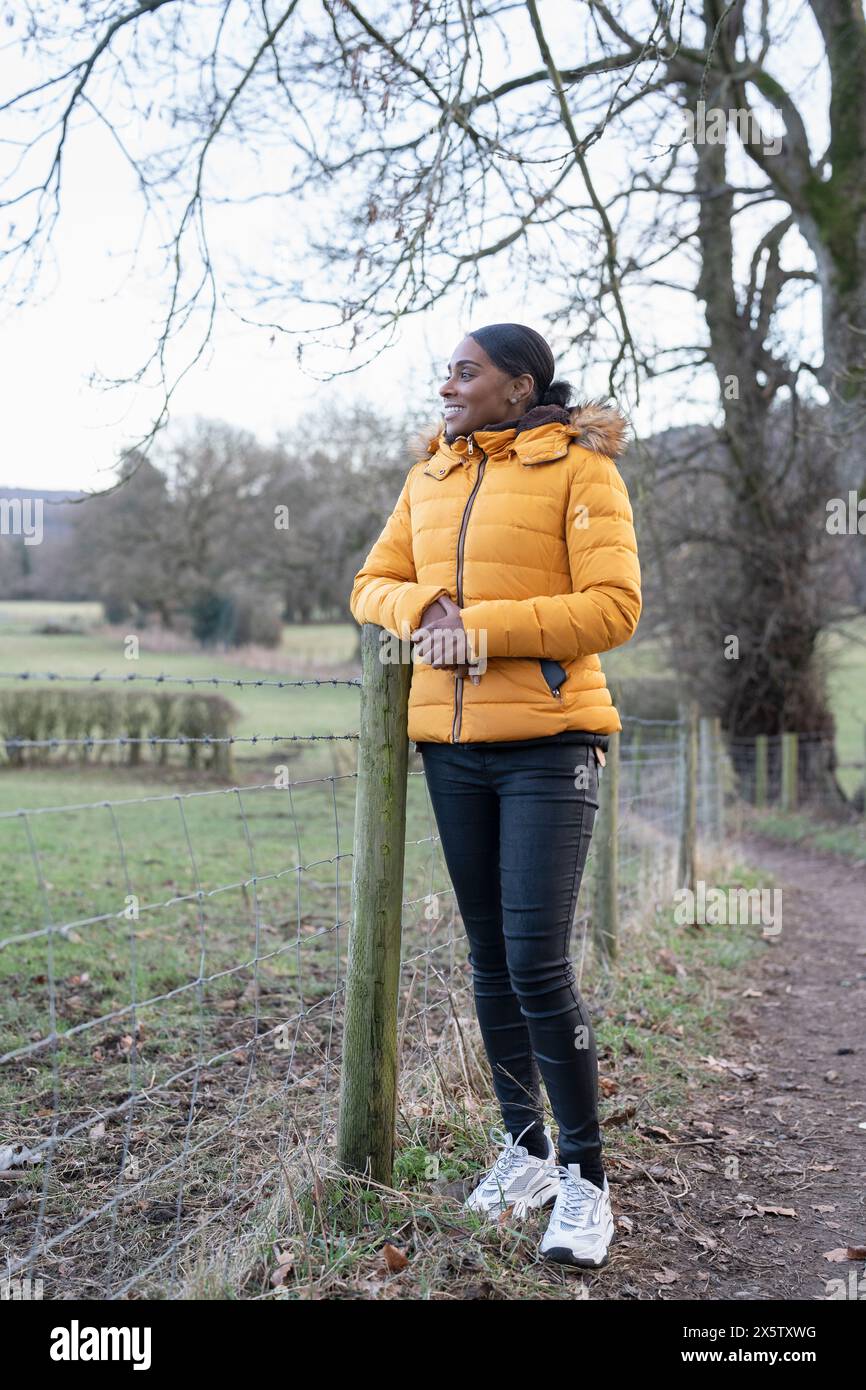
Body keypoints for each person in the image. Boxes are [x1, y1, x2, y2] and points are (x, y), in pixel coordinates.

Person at [349, 323, 641, 1269]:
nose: (448, 385)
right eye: (448, 371)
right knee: (488, 958)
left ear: (519, 389)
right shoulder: (430, 475)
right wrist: (422, 609)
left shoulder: (581, 472)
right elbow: (371, 581)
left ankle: (587, 1184)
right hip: (452, 749)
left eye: (465, 372)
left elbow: (612, 608)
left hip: (551, 746)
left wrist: (480, 627)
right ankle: (524, 1152)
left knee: (537, 967)